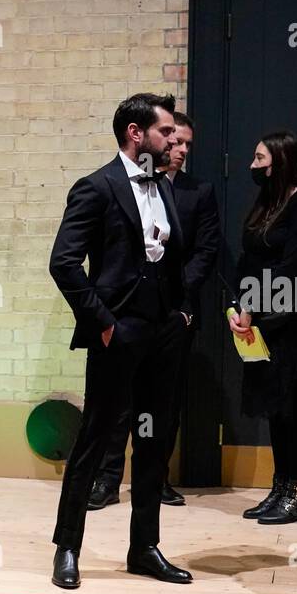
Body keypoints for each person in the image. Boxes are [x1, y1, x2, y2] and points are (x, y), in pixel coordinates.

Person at [47, 93, 192, 590]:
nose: (174, 140)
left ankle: (144, 548)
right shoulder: (96, 188)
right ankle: (67, 547)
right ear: (136, 133)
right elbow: (63, 263)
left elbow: (173, 258)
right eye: (166, 132)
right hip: (118, 334)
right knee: (94, 439)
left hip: (163, 335)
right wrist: (105, 323)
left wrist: (181, 314)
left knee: (153, 443)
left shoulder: (166, 187)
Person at [90, 111, 221, 511]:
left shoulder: (197, 192)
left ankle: (155, 478)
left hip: (174, 312)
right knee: (117, 402)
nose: (178, 149)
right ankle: (108, 479)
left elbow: (205, 250)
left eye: (184, 144)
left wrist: (180, 302)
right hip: (128, 315)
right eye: (173, 139)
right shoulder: (117, 185)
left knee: (163, 404)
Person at [228, 131, 297, 524]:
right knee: (274, 405)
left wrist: (254, 309)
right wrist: (238, 305)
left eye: (259, 159)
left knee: (293, 405)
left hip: (290, 317)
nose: (253, 166)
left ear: (281, 161)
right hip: (258, 318)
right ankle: (279, 487)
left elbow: (292, 268)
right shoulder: (267, 203)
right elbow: (247, 260)